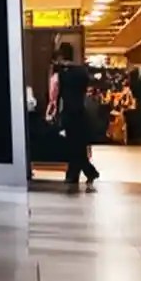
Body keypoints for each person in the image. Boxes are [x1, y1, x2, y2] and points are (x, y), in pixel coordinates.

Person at [47, 43, 99, 191]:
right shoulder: (83, 72)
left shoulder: (59, 74)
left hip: (68, 112)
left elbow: (54, 96)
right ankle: (73, 174)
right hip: (81, 112)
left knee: (73, 146)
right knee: (79, 145)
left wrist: (51, 112)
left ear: (60, 56)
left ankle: (88, 172)